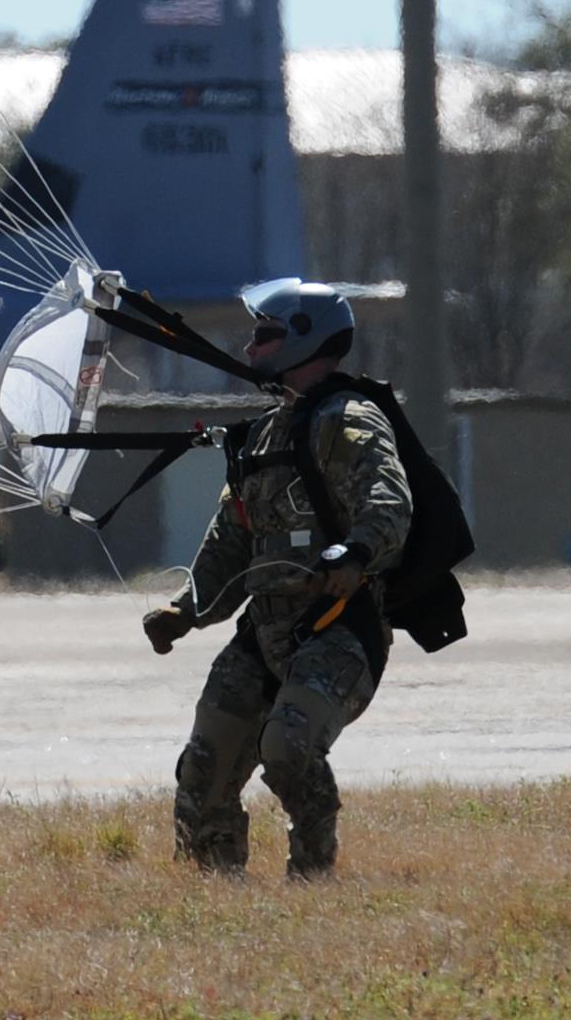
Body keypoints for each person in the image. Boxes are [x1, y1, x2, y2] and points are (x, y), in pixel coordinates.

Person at [138, 280, 411, 879]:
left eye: (266, 334)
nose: (252, 345)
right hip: (262, 634)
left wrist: (355, 553)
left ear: (306, 338)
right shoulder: (262, 436)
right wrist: (188, 611)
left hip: (336, 630)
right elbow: (231, 540)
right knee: (203, 769)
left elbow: (389, 503)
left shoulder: (349, 420)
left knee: (287, 749)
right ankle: (214, 894)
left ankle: (312, 879)